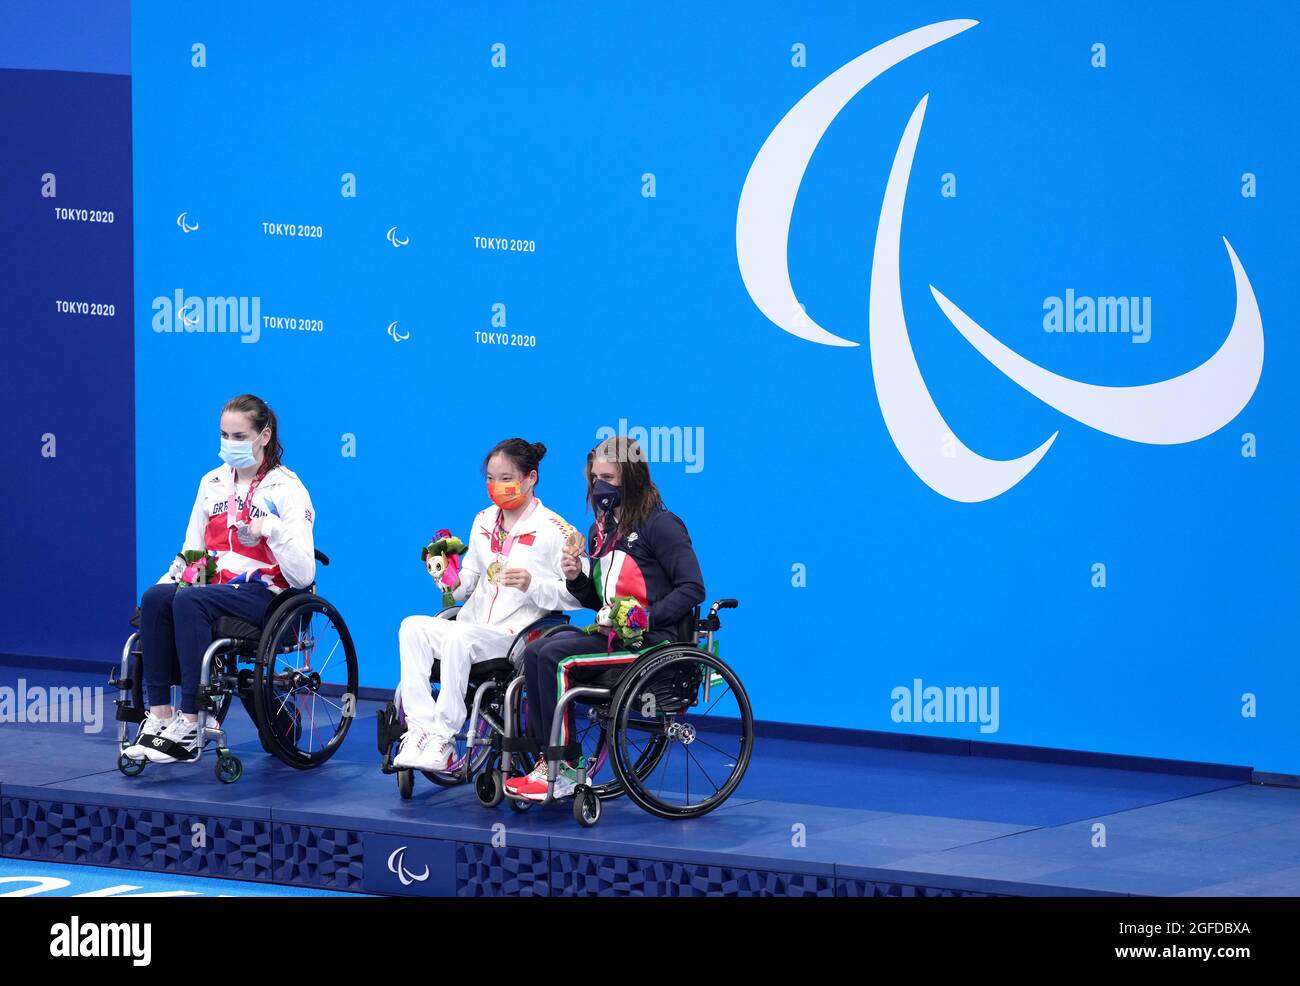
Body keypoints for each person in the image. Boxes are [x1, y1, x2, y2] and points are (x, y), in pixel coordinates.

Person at [506, 435, 705, 801]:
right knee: (537, 650)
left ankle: (562, 766)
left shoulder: (660, 525)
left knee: (554, 657)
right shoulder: (602, 530)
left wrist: (644, 618)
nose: (600, 486)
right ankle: (543, 759)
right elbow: (601, 599)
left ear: (632, 478)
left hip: (653, 641)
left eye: (609, 478)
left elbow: (693, 589)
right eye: (595, 477)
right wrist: (576, 578)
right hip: (613, 636)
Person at [124, 394, 317, 764]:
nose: (229, 444)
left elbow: (303, 574)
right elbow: (191, 552)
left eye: (239, 436)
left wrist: (271, 528)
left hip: (268, 594)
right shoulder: (211, 482)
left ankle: (194, 719)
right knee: (155, 597)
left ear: (264, 436)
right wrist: (166, 585)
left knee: (188, 600)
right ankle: (160, 718)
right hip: (214, 586)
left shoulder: (288, 489)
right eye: (224, 435)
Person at [393, 438, 583, 772]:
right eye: (491, 478)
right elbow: (469, 583)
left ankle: (444, 737)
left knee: (455, 637)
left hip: (513, 637)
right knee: (411, 626)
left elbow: (578, 595)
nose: (497, 486)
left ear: (531, 478)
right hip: (471, 627)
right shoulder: (482, 520)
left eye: (506, 478)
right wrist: (450, 579)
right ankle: (420, 728)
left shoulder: (557, 530)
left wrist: (532, 584)